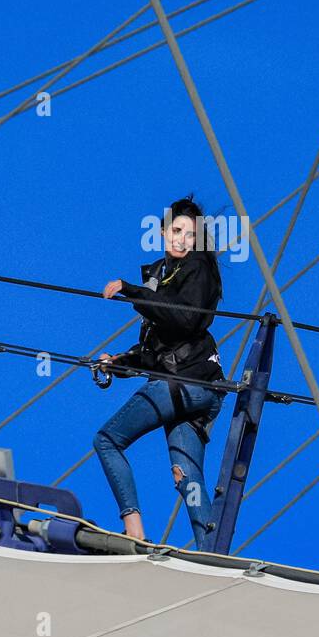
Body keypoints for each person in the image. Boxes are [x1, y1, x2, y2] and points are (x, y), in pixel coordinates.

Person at [92, 196, 226, 548]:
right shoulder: (164, 276)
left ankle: (133, 531)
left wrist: (130, 290)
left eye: (190, 235)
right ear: (164, 232)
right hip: (200, 389)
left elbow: (183, 319)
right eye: (177, 231)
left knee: (107, 440)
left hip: (183, 384)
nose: (182, 240)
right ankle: (212, 553)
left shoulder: (197, 268)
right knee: (187, 475)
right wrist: (119, 362)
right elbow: (159, 350)